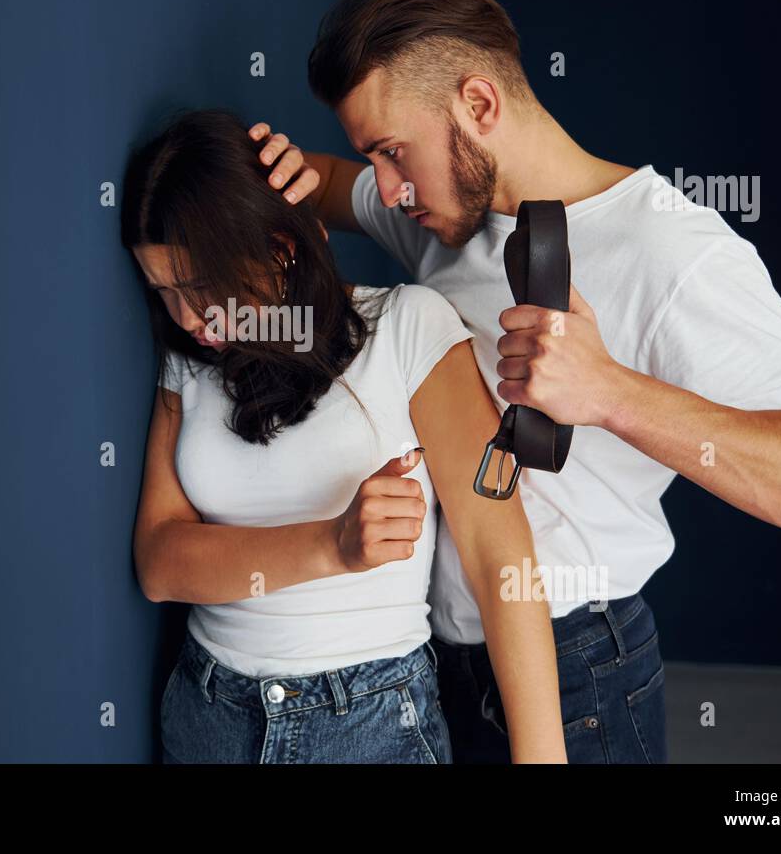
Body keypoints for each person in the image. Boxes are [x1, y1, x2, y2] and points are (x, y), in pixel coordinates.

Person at [246, 0, 781, 763]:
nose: (383, 187)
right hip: (437, 662)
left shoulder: (669, 250)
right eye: (370, 157)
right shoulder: (445, 211)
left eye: (391, 151)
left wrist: (611, 392)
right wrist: (279, 178)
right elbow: (330, 185)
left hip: (581, 671)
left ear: (479, 105)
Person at [122, 107, 567, 763]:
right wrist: (331, 545)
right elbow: (160, 564)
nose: (189, 318)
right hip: (207, 712)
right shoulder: (188, 359)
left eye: (199, 287)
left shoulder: (406, 326)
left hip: (368, 719)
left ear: (281, 246)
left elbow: (498, 550)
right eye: (163, 291)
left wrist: (542, 759)